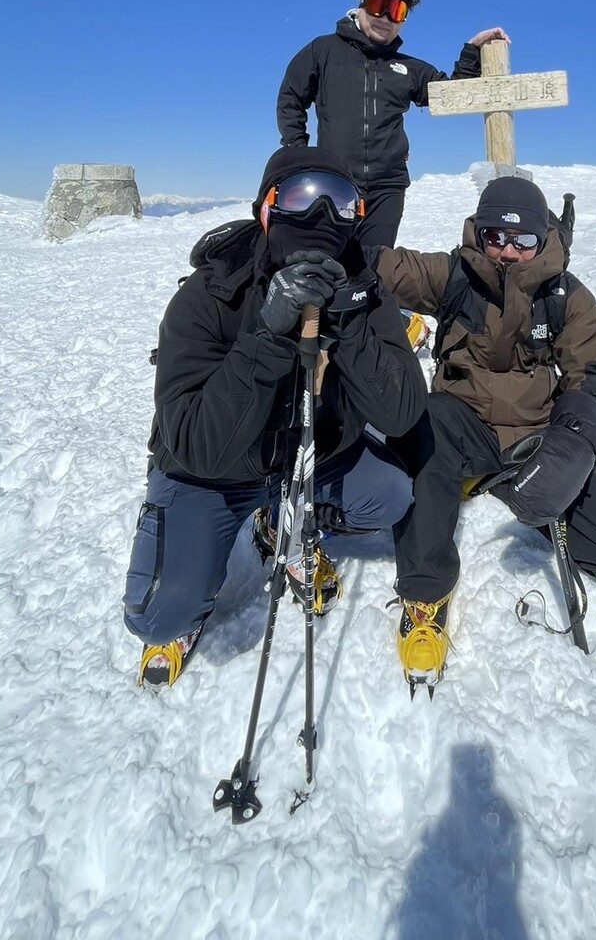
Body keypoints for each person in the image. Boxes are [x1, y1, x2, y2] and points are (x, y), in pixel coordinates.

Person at [123, 146, 426, 688]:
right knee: (155, 618)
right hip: (211, 475)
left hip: (307, 462)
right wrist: (267, 336)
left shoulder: (363, 291)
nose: (319, 216)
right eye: (298, 196)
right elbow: (194, 444)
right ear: (266, 209)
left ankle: (280, 522)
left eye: (339, 201)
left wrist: (349, 321)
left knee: (390, 494)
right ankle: (204, 547)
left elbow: (402, 411)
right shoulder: (212, 294)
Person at [372, 176, 596, 691]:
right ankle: (425, 595)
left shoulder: (567, 297)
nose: (509, 251)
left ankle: (507, 485)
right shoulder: (454, 275)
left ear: (544, 238)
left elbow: (594, 377)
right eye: (497, 236)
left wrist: (574, 444)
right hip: (462, 426)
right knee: (422, 423)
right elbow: (387, 266)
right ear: (480, 233)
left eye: (524, 241)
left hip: (539, 438)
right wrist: (313, 238)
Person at [276, 0, 510, 248]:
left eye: (397, 10)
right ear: (361, 5)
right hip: (335, 181)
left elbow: (450, 93)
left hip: (387, 188)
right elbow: (290, 97)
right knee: (328, 262)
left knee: (374, 266)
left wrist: (472, 50)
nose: (385, 17)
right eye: (378, 4)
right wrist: (299, 152)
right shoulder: (322, 51)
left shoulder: (408, 68)